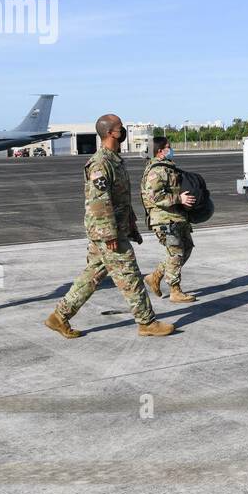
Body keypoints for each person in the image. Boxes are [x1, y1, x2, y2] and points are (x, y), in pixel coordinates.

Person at [44, 114, 175, 338]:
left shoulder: (114, 159)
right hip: (107, 232)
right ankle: (147, 322)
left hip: (115, 228)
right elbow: (99, 202)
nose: (123, 131)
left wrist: (131, 222)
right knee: (130, 274)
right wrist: (109, 234)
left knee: (92, 276)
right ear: (110, 133)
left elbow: (120, 198)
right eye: (120, 128)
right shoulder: (100, 163)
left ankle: (59, 316)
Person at [142, 135, 199, 303]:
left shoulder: (169, 168)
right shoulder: (155, 171)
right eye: (168, 146)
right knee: (176, 253)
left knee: (186, 249)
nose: (171, 149)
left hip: (177, 217)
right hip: (164, 220)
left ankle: (155, 276)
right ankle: (175, 290)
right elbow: (155, 196)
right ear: (160, 151)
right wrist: (179, 199)